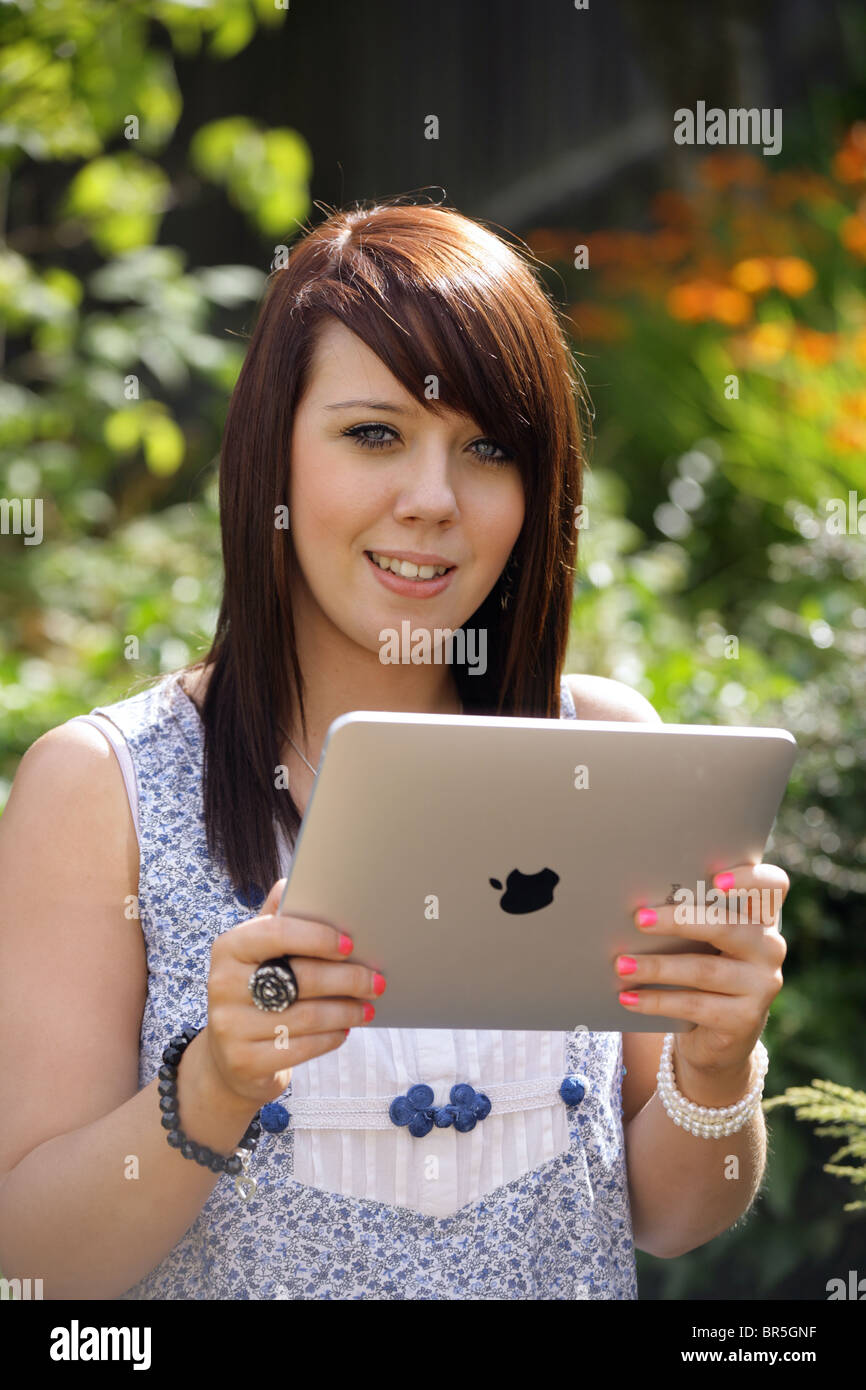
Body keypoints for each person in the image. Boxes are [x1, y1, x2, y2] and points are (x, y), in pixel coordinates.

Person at [0, 199, 789, 1300]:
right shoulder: (104, 785)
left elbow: (667, 1214)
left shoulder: (602, 750)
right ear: (271, 453)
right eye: (373, 434)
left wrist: (715, 1063)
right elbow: (33, 1269)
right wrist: (217, 1082)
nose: (431, 501)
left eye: (486, 449)